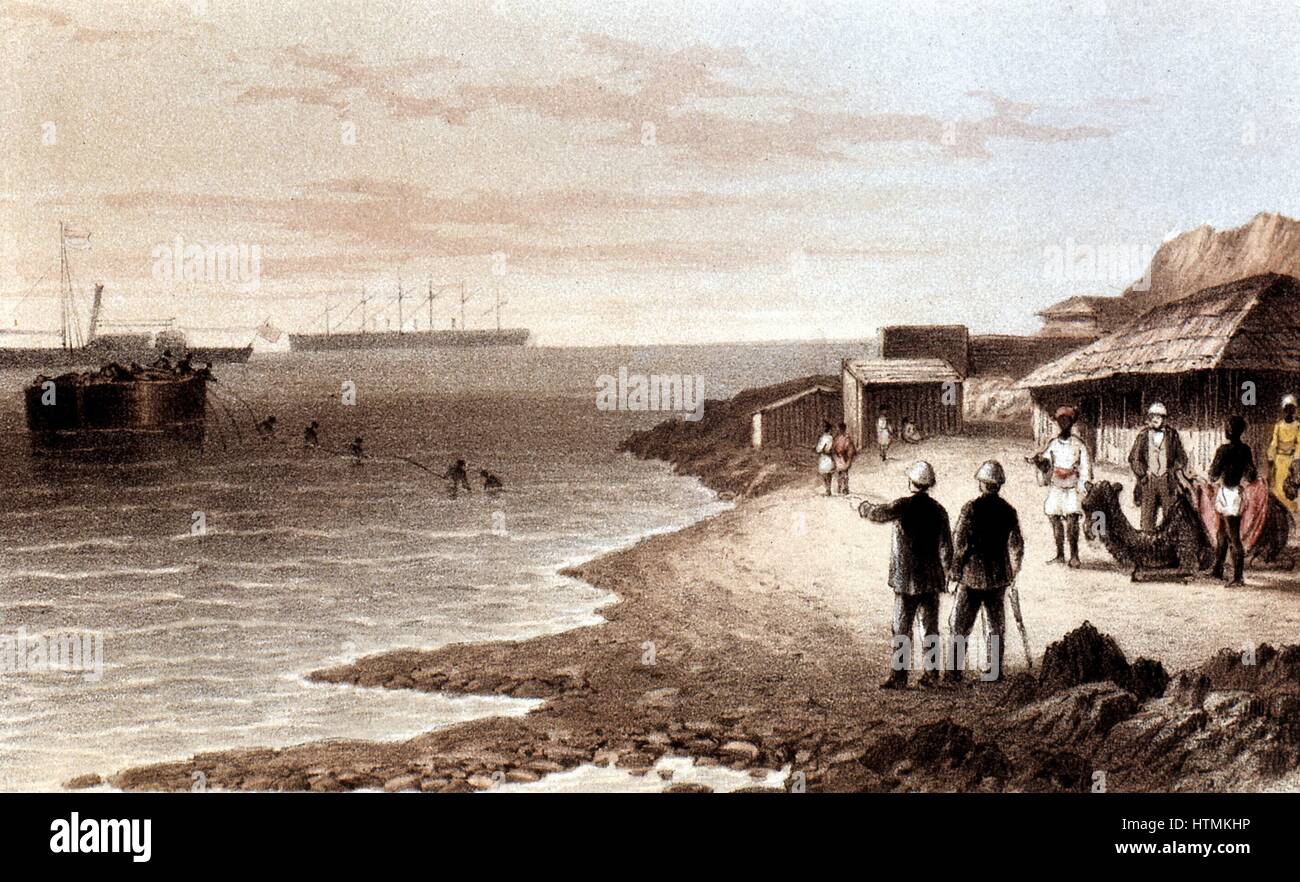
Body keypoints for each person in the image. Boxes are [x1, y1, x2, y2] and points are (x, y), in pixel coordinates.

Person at [857, 460, 952, 690]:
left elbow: (879, 513)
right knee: (930, 628)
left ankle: (899, 677)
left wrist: (864, 507)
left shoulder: (903, 505)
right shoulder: (939, 510)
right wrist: (948, 573)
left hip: (906, 578)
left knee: (901, 628)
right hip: (931, 580)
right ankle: (931, 675)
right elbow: (946, 548)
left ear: (911, 482)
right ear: (930, 484)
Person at [947, 460, 1023, 683]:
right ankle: (994, 671)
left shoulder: (970, 509)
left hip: (971, 576)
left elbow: (959, 544)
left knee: (959, 624)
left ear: (981, 484)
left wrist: (954, 572)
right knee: (995, 626)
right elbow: (1017, 544)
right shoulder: (1008, 511)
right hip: (998, 577)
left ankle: (954, 671)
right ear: (999, 485)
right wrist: (1013, 571)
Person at [1027, 405, 1091, 568]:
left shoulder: (1078, 445)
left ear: (1072, 422)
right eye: (1060, 420)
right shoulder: (1053, 444)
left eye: (1067, 420)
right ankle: (1060, 554)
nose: (1063, 423)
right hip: (1057, 486)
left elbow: (1085, 467)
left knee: (1071, 521)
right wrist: (1039, 462)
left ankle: (1074, 555)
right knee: (1054, 518)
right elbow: (1047, 463)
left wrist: (1083, 485)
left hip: (1071, 487)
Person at [1210, 415, 1257, 587]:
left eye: (1227, 427)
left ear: (1232, 431)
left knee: (1234, 537)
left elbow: (1213, 473)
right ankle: (1217, 570)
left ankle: (1238, 578)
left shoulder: (1223, 450)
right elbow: (1252, 474)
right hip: (1234, 491)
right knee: (1222, 533)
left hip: (1228, 494)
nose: (1225, 430)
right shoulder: (1245, 449)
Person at [1127, 402, 1187, 531]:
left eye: (1159, 417)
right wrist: (1142, 474)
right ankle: (1148, 545)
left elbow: (1182, 458)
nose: (1155, 419)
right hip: (1149, 480)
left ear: (1164, 419)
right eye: (1153, 416)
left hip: (1167, 481)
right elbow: (1134, 458)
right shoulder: (1143, 435)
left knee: (1170, 517)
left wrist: (1173, 472)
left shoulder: (1172, 435)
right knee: (1147, 519)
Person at [1267, 394, 1299, 513]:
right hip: (1279, 460)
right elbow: (1274, 443)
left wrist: (1296, 460)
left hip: (1292, 461)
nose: (1289, 412)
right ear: (1284, 410)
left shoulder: (1298, 426)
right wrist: (1271, 458)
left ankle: (1291, 512)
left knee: (1289, 489)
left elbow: (1299, 444)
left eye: (1292, 409)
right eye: (1287, 409)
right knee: (1278, 488)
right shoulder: (1279, 426)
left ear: (1294, 410)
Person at [831, 421, 857, 495]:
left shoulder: (847, 438)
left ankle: (845, 487)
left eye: (840, 429)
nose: (839, 430)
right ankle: (840, 486)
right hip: (839, 457)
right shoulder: (837, 438)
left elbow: (850, 448)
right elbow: (834, 447)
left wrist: (848, 454)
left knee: (844, 472)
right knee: (840, 472)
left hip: (845, 456)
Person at [814, 422, 835, 496]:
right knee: (828, 473)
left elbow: (818, 449)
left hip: (824, 457)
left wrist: (820, 450)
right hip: (828, 456)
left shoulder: (823, 438)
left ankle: (827, 489)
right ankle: (828, 489)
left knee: (825, 473)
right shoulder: (830, 438)